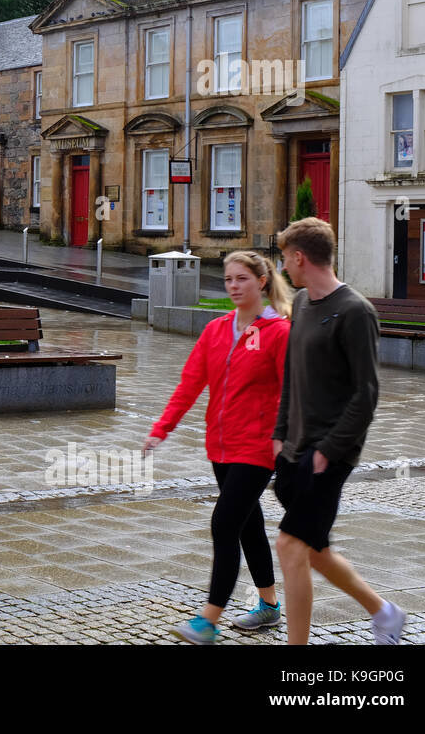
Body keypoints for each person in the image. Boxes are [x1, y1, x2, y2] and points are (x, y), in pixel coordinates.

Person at [145, 251, 291, 644]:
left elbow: (290, 391)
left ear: (261, 281)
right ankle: (269, 606)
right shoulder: (216, 329)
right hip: (220, 446)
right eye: (228, 279)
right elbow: (190, 383)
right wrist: (162, 428)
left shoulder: (278, 332)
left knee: (224, 523)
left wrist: (283, 435)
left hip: (259, 448)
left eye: (241, 278)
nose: (233, 286)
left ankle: (207, 620)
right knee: (248, 524)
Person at [273, 217, 404, 644]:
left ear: (300, 257)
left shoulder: (355, 312)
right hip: (294, 449)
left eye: (285, 259)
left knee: (291, 546)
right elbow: (293, 375)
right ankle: (384, 612)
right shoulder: (304, 305)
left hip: (330, 453)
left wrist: (330, 449)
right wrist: (280, 433)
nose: (283, 269)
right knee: (314, 549)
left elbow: (366, 394)